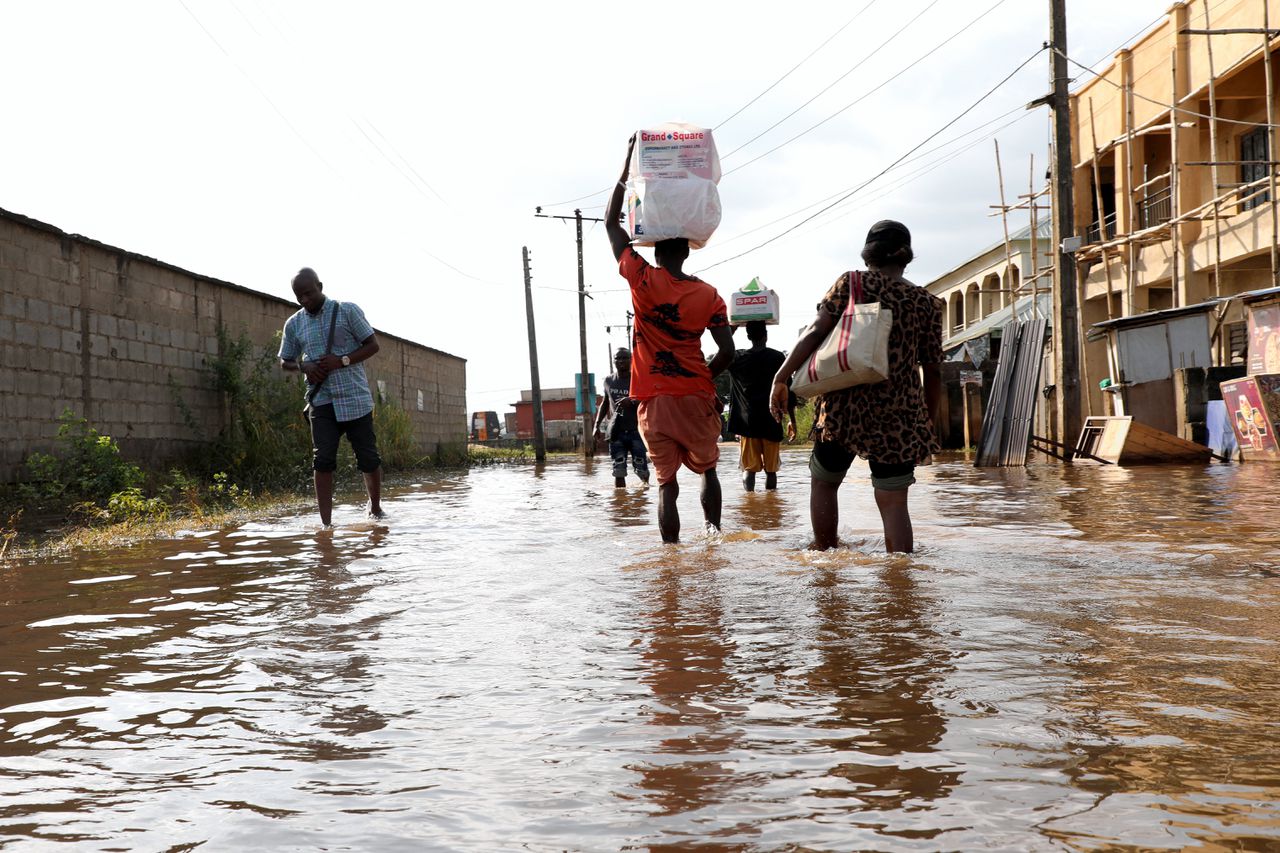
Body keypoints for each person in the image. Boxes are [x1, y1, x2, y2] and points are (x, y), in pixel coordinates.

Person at [770, 221, 943, 553]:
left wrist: (781, 377)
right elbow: (933, 371)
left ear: (868, 254)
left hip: (842, 409)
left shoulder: (852, 283)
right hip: (900, 415)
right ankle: (900, 581)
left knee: (824, 483)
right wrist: (928, 423)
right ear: (906, 257)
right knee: (893, 503)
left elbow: (815, 332)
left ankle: (825, 560)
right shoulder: (927, 303)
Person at [605, 134, 736, 543]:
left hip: (655, 401)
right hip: (696, 396)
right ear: (687, 252)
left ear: (657, 252)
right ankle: (714, 541)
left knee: (666, 484)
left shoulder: (643, 280)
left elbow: (611, 224)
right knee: (709, 470)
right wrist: (703, 380)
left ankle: (671, 558)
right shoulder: (709, 295)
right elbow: (727, 351)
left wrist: (627, 164)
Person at [279, 267, 385, 526]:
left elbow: (373, 345)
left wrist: (343, 360)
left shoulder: (347, 311)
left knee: (368, 458)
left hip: (354, 398)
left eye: (309, 293)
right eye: (299, 296)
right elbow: (285, 361)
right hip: (321, 401)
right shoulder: (294, 324)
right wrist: (304, 366)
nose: (304, 299)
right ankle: (326, 525)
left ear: (320, 286)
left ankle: (375, 509)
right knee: (322, 460)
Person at [728, 321, 797, 492]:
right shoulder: (777, 358)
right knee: (771, 472)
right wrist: (792, 421)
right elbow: (788, 391)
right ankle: (771, 503)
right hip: (771, 422)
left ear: (748, 336)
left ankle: (749, 502)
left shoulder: (738, 359)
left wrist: (730, 330)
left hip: (747, 424)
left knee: (749, 470)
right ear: (766, 335)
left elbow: (724, 351)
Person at [594, 347, 650, 488]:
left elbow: (648, 401)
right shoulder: (608, 381)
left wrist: (630, 401)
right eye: (618, 358)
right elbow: (605, 403)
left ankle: (643, 497)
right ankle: (620, 502)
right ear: (614, 361)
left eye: (625, 358)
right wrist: (596, 426)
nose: (621, 361)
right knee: (618, 470)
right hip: (616, 432)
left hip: (637, 431)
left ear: (631, 361)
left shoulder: (637, 380)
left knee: (641, 469)